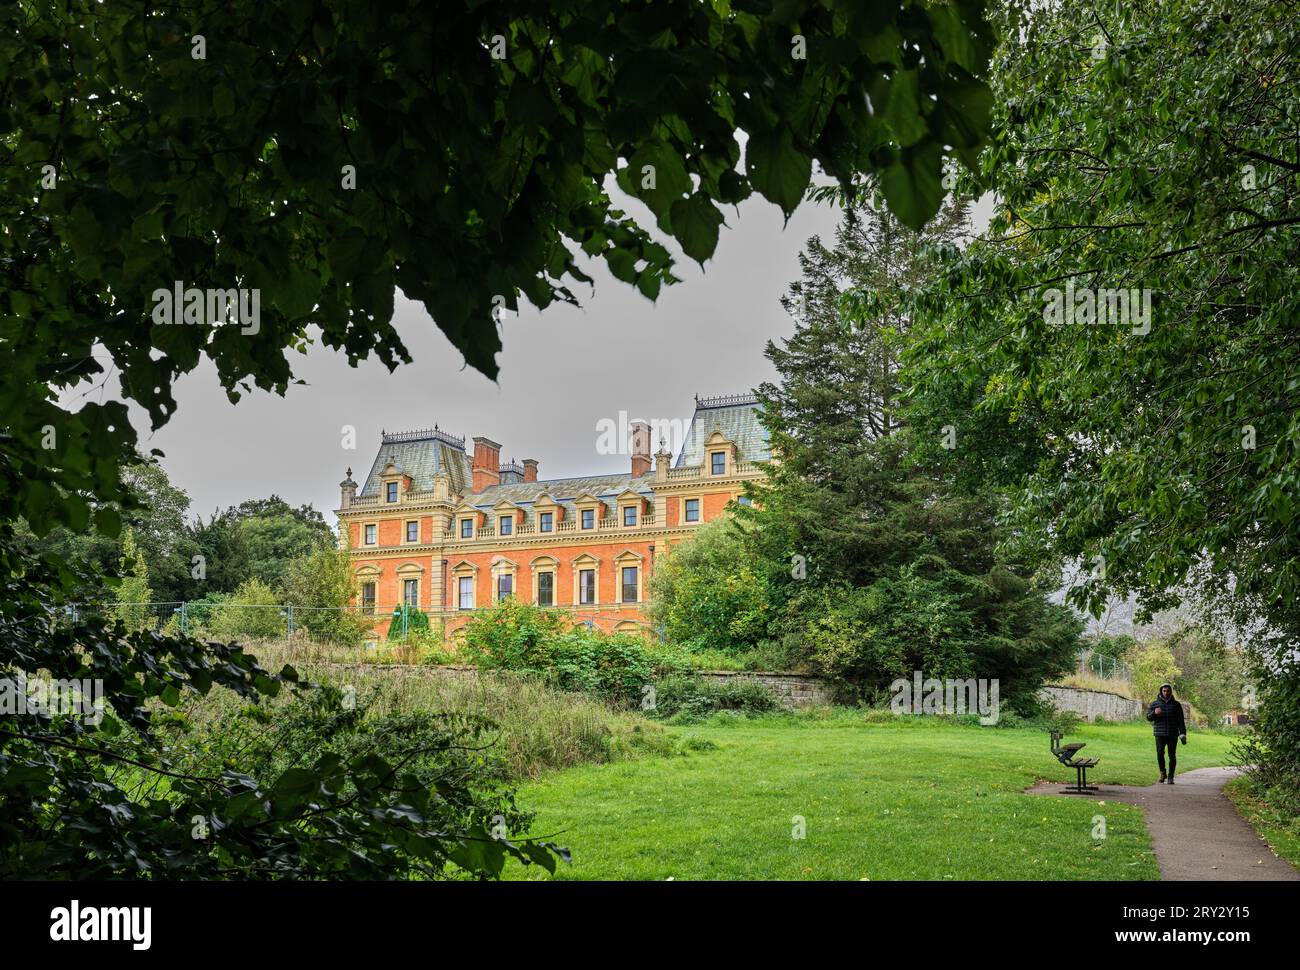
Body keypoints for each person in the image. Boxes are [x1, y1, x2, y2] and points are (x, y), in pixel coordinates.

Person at [1146, 682, 1187, 783]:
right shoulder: (1155, 704)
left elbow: (1181, 720)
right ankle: (1162, 773)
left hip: (1173, 734)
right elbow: (1148, 718)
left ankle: (1171, 777)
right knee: (1160, 753)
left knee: (1172, 755)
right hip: (1159, 734)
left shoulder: (1176, 705)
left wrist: (1182, 733)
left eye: (1168, 691)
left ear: (1171, 692)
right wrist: (1154, 713)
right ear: (1161, 691)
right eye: (1164, 691)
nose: (1166, 693)